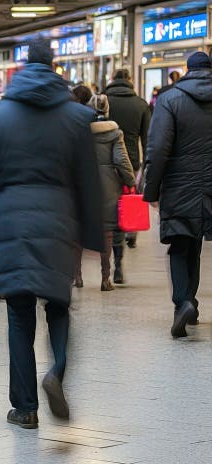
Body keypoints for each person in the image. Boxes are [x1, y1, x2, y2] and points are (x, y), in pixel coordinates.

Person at [0, 39, 104, 429]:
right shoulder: (77, 118)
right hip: (59, 223)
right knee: (58, 305)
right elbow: (89, 183)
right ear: (54, 66)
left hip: (11, 224)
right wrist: (94, 237)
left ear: (23, 66)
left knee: (20, 315)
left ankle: (25, 408)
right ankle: (56, 370)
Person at [143, 51, 212, 339]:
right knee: (194, 246)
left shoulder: (170, 99)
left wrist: (151, 190)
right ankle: (190, 302)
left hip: (179, 185)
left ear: (187, 69)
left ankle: (183, 303)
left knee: (181, 244)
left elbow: (158, 149)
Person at [74, 94, 136, 291]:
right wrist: (131, 181)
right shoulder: (115, 133)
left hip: (84, 183)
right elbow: (121, 160)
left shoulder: (80, 132)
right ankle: (105, 279)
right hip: (109, 185)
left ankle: (77, 277)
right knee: (107, 231)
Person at [105, 68, 150, 255]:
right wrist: (147, 164)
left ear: (112, 79)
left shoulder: (104, 100)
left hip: (106, 158)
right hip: (132, 159)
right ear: (130, 80)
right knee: (130, 195)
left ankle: (114, 235)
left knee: (112, 199)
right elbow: (147, 139)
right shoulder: (141, 104)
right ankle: (130, 231)